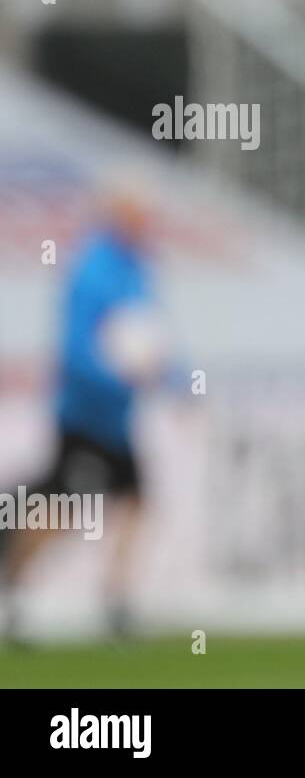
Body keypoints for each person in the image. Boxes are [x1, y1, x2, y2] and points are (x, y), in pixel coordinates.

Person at [0, 186, 161, 642]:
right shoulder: (92, 271)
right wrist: (124, 378)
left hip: (116, 419)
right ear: (118, 214)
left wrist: (166, 376)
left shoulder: (136, 270)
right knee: (65, 510)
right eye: (138, 213)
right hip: (85, 417)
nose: (146, 222)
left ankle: (116, 600)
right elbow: (75, 354)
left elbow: (150, 338)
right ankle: (15, 592)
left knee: (136, 501)